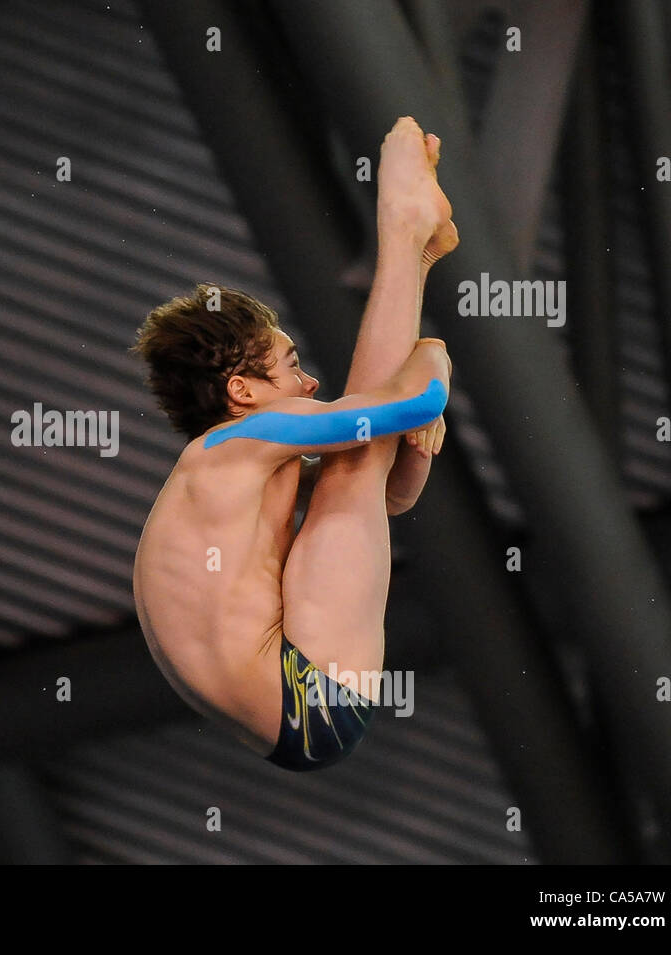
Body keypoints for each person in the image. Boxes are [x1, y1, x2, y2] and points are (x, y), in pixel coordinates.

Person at [130, 117, 458, 770]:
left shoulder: (229, 477)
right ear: (244, 391)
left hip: (304, 709)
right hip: (307, 692)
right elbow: (407, 405)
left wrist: (416, 438)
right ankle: (403, 233)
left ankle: (411, 241)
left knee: (356, 456)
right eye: (289, 365)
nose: (309, 380)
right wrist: (433, 356)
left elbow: (389, 496)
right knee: (355, 447)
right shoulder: (239, 440)